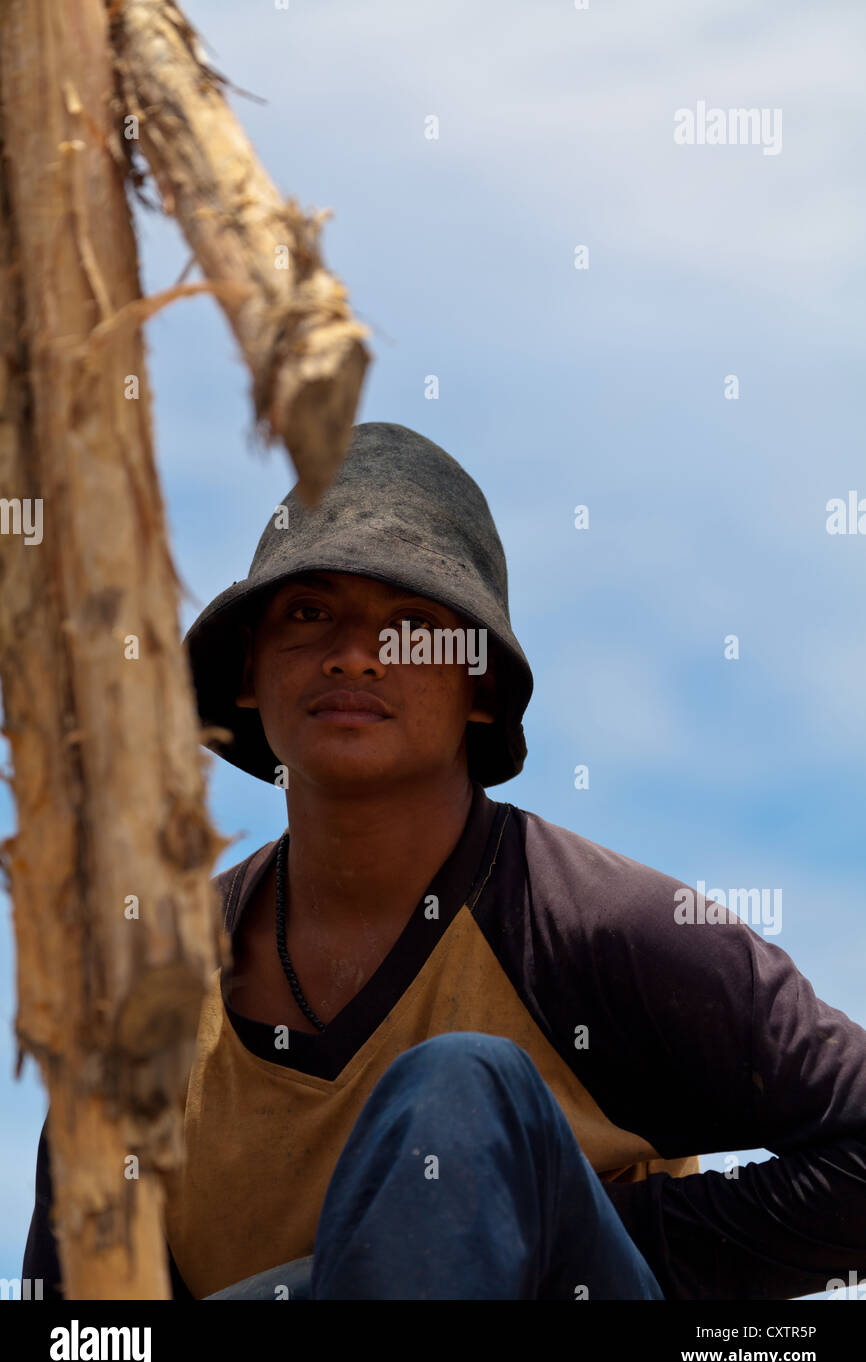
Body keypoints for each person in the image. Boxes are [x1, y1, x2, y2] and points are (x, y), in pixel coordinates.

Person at [23, 421, 866, 1300]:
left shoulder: (592, 926)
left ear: (480, 686)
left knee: (461, 1092)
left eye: (413, 625)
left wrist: (529, 1230)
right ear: (247, 673)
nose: (354, 654)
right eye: (309, 614)